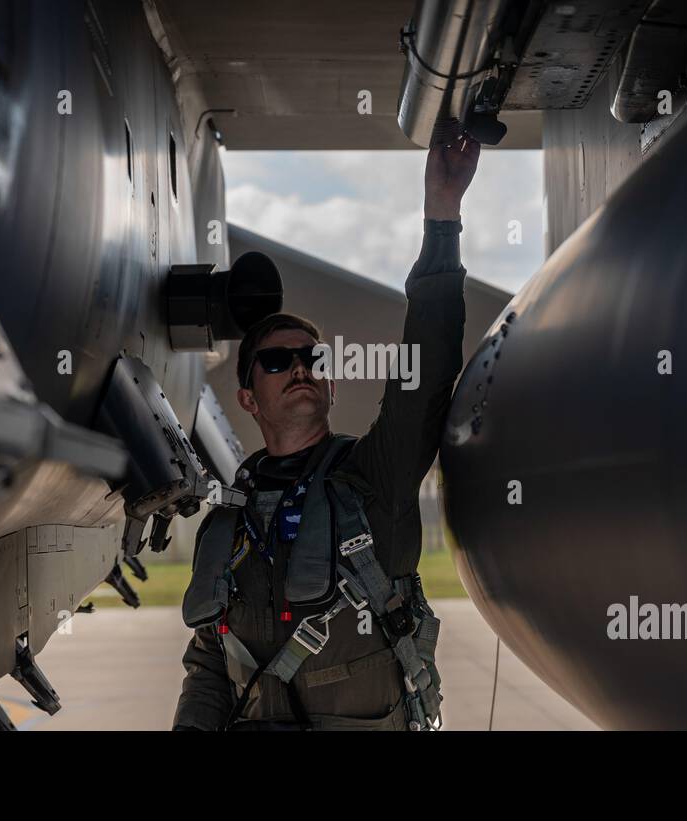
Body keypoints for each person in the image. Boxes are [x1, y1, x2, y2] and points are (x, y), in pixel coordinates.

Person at [172, 137, 481, 730]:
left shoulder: (371, 482)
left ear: (331, 388)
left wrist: (442, 215)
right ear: (247, 398)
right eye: (276, 362)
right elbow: (210, 663)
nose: (299, 370)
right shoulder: (228, 520)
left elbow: (428, 368)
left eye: (313, 361)